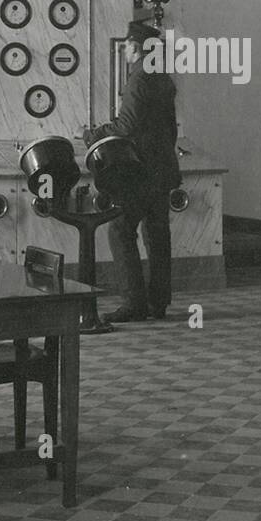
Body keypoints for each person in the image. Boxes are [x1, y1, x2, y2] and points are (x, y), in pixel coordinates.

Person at [81, 20, 181, 323]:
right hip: (162, 168)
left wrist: (94, 134)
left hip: (139, 171)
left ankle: (134, 303)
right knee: (157, 234)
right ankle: (158, 302)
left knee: (120, 230)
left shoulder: (139, 77)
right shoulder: (163, 76)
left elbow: (127, 126)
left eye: (126, 47)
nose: (124, 52)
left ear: (135, 47)